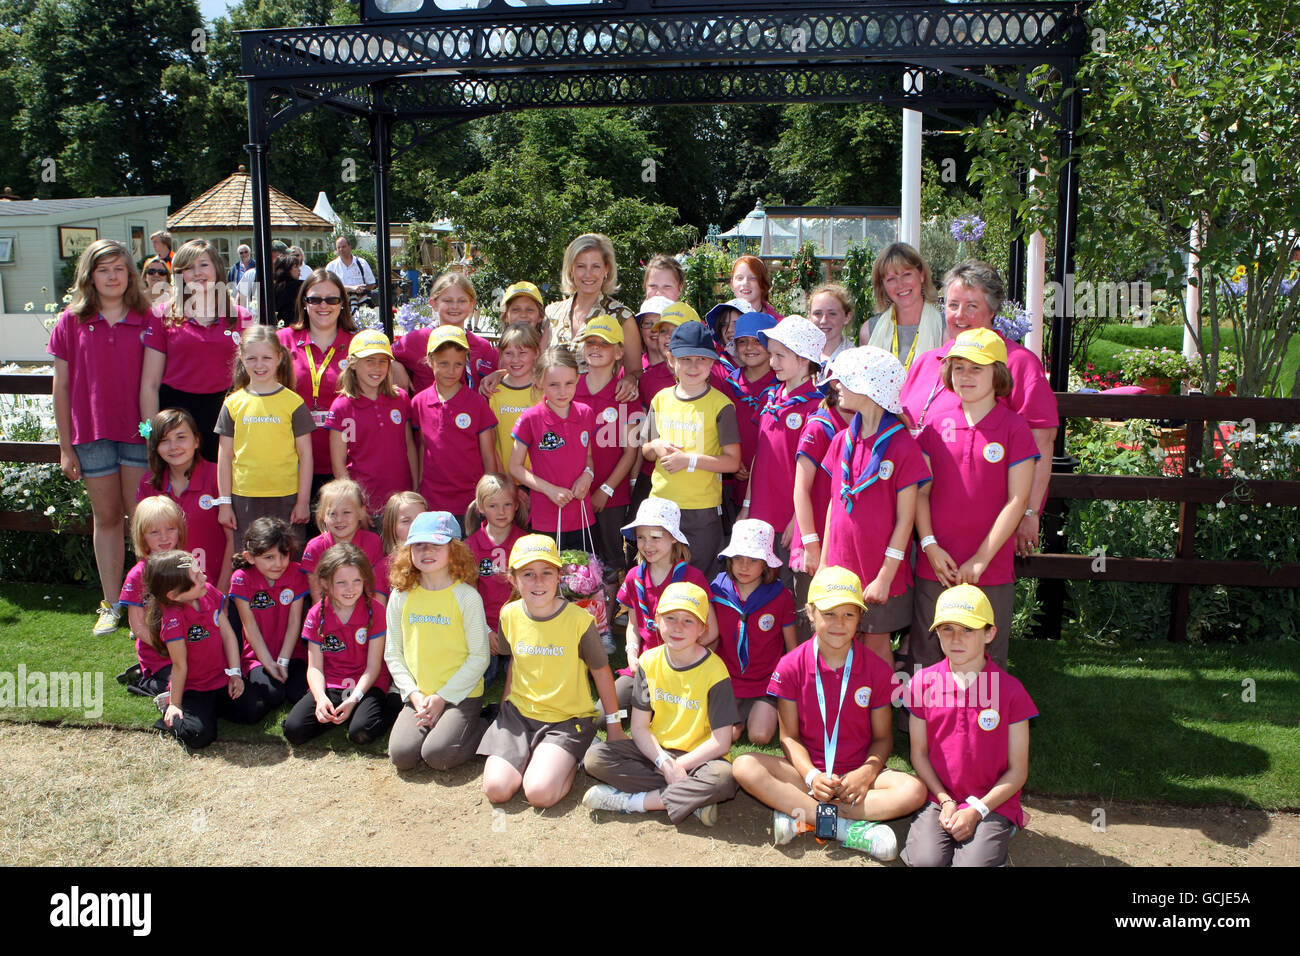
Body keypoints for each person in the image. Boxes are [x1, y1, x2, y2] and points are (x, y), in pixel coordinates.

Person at [732, 566, 927, 859]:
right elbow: (789, 738)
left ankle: (801, 815)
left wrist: (866, 772)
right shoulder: (790, 665)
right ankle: (847, 829)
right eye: (829, 614)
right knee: (744, 766)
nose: (839, 623)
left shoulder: (876, 668)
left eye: (848, 614)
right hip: (806, 774)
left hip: (856, 780)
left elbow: (883, 738)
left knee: (913, 790)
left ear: (860, 618)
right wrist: (811, 776)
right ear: (810, 614)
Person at [899, 260, 1058, 558]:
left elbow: (1041, 443)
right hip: (921, 523)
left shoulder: (1017, 363)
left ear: (993, 310)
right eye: (953, 304)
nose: (960, 315)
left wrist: (1030, 512)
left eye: (972, 306)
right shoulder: (926, 362)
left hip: (986, 529)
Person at [912, 329, 1038, 668]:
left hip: (991, 567)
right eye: (958, 367)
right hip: (937, 564)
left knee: (985, 656)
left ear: (997, 374)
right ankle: (922, 722)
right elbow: (920, 492)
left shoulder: (1014, 428)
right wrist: (929, 546)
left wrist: (981, 559)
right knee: (928, 653)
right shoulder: (936, 425)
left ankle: (983, 721)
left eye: (976, 368)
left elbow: (1017, 499)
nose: (965, 376)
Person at [49, 239, 154, 636]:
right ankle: (111, 604)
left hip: (139, 435)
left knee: (141, 522)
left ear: (129, 274)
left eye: (118, 268)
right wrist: (64, 446)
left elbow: (157, 382)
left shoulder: (148, 319)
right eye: (103, 269)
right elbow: (60, 388)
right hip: (91, 436)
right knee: (107, 518)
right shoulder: (71, 321)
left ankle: (144, 604)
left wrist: (152, 435)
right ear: (89, 275)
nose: (112, 276)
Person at [478, 534, 625, 808]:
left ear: (559, 576)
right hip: (519, 716)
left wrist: (614, 726)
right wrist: (503, 709)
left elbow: (602, 672)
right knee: (497, 789)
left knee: (539, 794)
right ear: (513, 579)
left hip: (566, 720)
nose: (538, 582)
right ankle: (533, 753)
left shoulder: (580, 621)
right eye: (528, 574)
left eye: (547, 572)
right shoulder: (509, 614)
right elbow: (514, 665)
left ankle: (577, 751)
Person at [582, 581, 739, 827]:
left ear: (702, 628)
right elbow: (640, 728)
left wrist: (679, 766)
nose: (677, 627)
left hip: (699, 758)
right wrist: (664, 764)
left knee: (724, 779)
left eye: (688, 621)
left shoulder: (716, 671)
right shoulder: (649, 661)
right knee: (595, 758)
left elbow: (721, 742)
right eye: (670, 618)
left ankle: (631, 801)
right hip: (656, 751)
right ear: (657, 620)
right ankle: (690, 798)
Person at [901, 584, 1037, 867]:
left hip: (992, 801)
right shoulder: (920, 684)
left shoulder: (1011, 691)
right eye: (947, 629)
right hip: (938, 797)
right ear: (936, 633)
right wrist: (945, 799)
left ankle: (1003, 826)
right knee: (926, 862)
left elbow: (1018, 771)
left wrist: (977, 809)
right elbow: (919, 754)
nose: (956, 639)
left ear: (989, 633)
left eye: (968, 629)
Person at [819, 347, 930, 666]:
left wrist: (885, 576)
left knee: (875, 643)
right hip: (841, 567)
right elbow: (834, 505)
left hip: (879, 570)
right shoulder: (842, 440)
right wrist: (825, 563)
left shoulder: (902, 446)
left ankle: (877, 712)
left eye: (845, 379)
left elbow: (906, 520)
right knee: (841, 640)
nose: (836, 385)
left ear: (870, 387)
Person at [385, 511, 490, 771]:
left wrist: (443, 697)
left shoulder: (467, 597)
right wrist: (413, 693)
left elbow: (480, 657)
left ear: (453, 550)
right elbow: (393, 654)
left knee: (438, 755)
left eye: (436, 544)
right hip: (420, 696)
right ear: (408, 551)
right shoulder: (400, 596)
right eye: (418, 544)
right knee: (402, 756)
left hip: (461, 695)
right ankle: (436, 722)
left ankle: (486, 722)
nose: (426, 551)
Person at [140, 238, 252, 466]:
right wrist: (150, 435)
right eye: (189, 268)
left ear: (217, 269)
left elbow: (253, 378)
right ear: (180, 275)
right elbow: (149, 384)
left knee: (224, 490)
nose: (197, 273)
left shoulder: (241, 316)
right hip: (175, 415)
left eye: (203, 264)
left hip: (227, 412)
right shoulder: (162, 315)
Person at [641, 321, 741, 578]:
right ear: (671, 359)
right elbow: (645, 449)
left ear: (712, 363)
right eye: (686, 359)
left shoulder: (721, 405)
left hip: (702, 511)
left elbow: (732, 462)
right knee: (661, 577)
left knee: (700, 580)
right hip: (661, 506)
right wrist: (657, 445)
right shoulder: (660, 399)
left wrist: (690, 460)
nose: (694, 366)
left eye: (701, 359)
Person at [145, 549, 269, 749]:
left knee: (256, 709)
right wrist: (176, 704)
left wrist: (235, 674)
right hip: (193, 688)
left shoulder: (208, 592)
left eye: (199, 571)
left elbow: (228, 635)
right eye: (195, 577)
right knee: (199, 736)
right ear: (174, 594)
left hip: (220, 679)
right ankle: (169, 705)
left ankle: (212, 709)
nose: (203, 576)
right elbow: (179, 665)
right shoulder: (173, 619)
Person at [282, 542, 392, 747]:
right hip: (333, 683)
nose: (350, 589)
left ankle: (389, 706)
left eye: (357, 580)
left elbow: (374, 667)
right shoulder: (317, 613)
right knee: (294, 730)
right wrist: (321, 698)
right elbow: (314, 667)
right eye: (341, 582)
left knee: (361, 733)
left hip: (367, 684)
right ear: (325, 582)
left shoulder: (375, 610)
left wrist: (354, 699)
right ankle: (338, 712)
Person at [741, 314, 826, 577]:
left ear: (803, 359)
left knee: (788, 590)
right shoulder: (771, 397)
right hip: (759, 514)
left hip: (790, 520)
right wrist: (746, 505)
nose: (771, 362)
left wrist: (797, 522)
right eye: (772, 355)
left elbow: (818, 475)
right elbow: (760, 453)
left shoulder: (817, 407)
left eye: (780, 356)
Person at [214, 325, 314, 545]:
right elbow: (225, 456)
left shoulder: (294, 403)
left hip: (287, 497)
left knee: (286, 558)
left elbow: (306, 456)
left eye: (266, 358)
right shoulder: (232, 404)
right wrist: (224, 503)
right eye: (251, 358)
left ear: (279, 357)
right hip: (244, 498)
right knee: (249, 559)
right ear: (241, 357)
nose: (259, 365)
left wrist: (303, 501)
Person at [614, 497, 715, 711]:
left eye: (656, 537)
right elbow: (633, 624)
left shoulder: (691, 577)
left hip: (682, 664)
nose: (647, 545)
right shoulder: (634, 577)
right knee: (607, 714)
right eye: (641, 537)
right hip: (645, 664)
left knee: (672, 713)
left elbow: (711, 631)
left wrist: (683, 657)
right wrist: (632, 653)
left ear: (673, 539)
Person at [277, 269, 357, 527]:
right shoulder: (283, 341)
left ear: (342, 304)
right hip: (292, 462)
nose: (324, 305)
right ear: (304, 302)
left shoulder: (357, 344)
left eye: (331, 300)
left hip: (345, 463)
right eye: (315, 299)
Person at [709, 519, 796, 745]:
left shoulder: (781, 596)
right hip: (727, 678)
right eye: (738, 558)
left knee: (760, 736)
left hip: (766, 680)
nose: (744, 567)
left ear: (767, 563)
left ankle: (761, 709)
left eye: (753, 560)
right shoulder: (716, 591)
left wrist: (789, 684)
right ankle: (738, 716)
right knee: (729, 735)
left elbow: (792, 647)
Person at [575, 315, 643, 583]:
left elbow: (631, 452)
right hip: (573, 493)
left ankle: (606, 623)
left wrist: (606, 490)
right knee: (577, 563)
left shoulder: (626, 394)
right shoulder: (570, 388)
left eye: (603, 344)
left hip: (611, 496)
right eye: (590, 342)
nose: (595, 347)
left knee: (611, 566)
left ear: (618, 352)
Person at [138, 407, 234, 592]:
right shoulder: (148, 484)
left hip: (212, 588)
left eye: (181, 437)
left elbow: (233, 540)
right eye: (164, 440)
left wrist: (221, 594)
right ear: (156, 447)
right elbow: (143, 545)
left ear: (196, 440)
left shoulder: (218, 477)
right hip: (168, 592)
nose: (173, 446)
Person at [509, 347, 596, 549]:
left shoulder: (586, 413)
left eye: (569, 383)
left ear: (577, 379)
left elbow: (588, 457)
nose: (562, 391)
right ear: (539, 382)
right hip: (546, 516)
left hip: (582, 513)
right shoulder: (530, 418)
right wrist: (549, 490)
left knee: (582, 574)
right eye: (554, 385)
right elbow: (515, 467)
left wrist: (588, 475)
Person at [326, 329, 417, 522]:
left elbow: (409, 446)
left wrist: (416, 487)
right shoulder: (342, 406)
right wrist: (355, 505)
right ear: (352, 363)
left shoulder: (400, 398)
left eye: (383, 361)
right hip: (365, 504)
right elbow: (338, 464)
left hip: (401, 502)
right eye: (369, 361)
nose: (377, 368)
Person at [410, 326, 497, 515]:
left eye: (458, 364)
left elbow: (488, 455)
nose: (451, 371)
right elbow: (421, 448)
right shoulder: (419, 402)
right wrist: (417, 488)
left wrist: (490, 495)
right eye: (443, 363)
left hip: (471, 502)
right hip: (431, 500)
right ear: (430, 361)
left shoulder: (477, 403)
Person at [543, 233, 641, 397]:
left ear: (606, 269)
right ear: (571, 270)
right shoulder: (552, 313)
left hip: (599, 411)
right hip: (554, 411)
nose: (588, 274)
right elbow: (538, 366)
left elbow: (636, 371)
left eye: (595, 266)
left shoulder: (621, 316)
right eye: (581, 266)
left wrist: (630, 380)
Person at [228, 517, 310, 708]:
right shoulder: (241, 579)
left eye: (284, 555)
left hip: (292, 654)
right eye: (269, 557)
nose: (278, 564)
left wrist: (282, 661)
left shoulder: (297, 573)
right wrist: (267, 662)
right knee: (273, 694)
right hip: (256, 657)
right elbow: (249, 626)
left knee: (298, 693)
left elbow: (294, 622)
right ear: (250, 557)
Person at [118, 496, 187, 698]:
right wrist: (166, 647)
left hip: (189, 646)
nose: (164, 538)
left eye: (170, 529)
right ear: (142, 536)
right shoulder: (138, 575)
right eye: (155, 532)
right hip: (159, 653)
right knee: (182, 688)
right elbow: (137, 625)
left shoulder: (186, 565)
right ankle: (144, 680)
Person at [464, 474, 525, 684]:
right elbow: (467, 595)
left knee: (521, 677)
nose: (501, 512)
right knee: (482, 679)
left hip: (518, 627)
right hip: (484, 627)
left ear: (516, 505)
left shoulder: (525, 542)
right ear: (480, 507)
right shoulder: (469, 546)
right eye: (493, 505)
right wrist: (486, 631)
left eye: (507, 504)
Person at [394, 272, 498, 393]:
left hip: (471, 410)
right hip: (428, 410)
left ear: (472, 305)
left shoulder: (482, 346)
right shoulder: (416, 339)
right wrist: (394, 365)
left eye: (462, 301)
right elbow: (383, 355)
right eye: (448, 301)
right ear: (434, 304)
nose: (455, 306)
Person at [721, 312, 777, 511]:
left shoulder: (781, 388)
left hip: (772, 482)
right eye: (743, 341)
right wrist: (731, 463)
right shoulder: (727, 385)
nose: (750, 347)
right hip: (732, 482)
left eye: (758, 341)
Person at [301, 478, 388, 604]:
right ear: (322, 515)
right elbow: (317, 595)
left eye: (346, 512)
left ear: (360, 513)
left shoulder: (372, 542)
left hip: (364, 611)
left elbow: (375, 586)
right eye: (332, 514)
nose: (339, 519)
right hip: (330, 615)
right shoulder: (314, 547)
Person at [860, 242, 945, 370]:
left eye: (907, 274)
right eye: (891, 279)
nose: (900, 285)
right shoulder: (869, 331)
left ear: (921, 275)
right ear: (883, 285)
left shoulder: (945, 328)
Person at [486, 322, 541, 477]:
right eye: (508, 353)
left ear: (536, 352)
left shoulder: (545, 391)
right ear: (501, 354)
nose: (515, 360)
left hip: (539, 481)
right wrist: (504, 479)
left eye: (522, 353)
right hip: (504, 480)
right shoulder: (492, 392)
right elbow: (490, 443)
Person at [808, 283, 856, 364]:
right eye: (818, 313)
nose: (824, 320)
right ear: (809, 317)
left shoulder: (855, 359)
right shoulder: (800, 355)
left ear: (847, 317)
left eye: (832, 314)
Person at [325, 235, 376, 307]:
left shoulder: (362, 263)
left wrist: (360, 293)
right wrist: (351, 289)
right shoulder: (331, 266)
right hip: (340, 305)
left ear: (350, 247)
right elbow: (328, 287)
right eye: (338, 248)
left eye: (343, 247)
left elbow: (371, 283)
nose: (341, 249)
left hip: (361, 304)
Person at [381, 490, 428, 556]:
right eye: (406, 521)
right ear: (391, 526)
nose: (415, 525)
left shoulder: (440, 559)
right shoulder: (385, 565)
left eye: (421, 519)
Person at [272, 253, 304, 327]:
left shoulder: (272, 286)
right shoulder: (298, 285)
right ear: (286, 269)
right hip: (293, 326)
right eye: (296, 267)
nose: (299, 270)